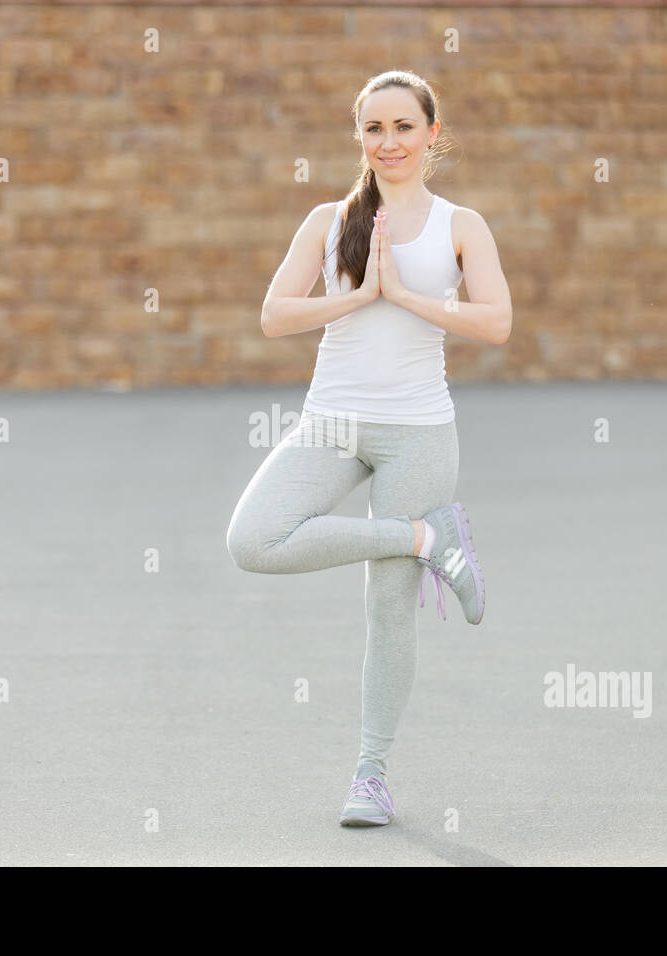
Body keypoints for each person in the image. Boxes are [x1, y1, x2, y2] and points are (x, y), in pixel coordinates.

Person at [225, 70, 512, 826]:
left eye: (404, 127)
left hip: (420, 432)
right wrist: (357, 296)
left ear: (432, 134)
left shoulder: (460, 224)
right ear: (359, 136)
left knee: (388, 607)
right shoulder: (330, 219)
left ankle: (370, 776)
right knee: (254, 539)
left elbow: (498, 322)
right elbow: (274, 316)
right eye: (374, 129)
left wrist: (409, 297)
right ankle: (428, 538)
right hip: (332, 424)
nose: (389, 142)